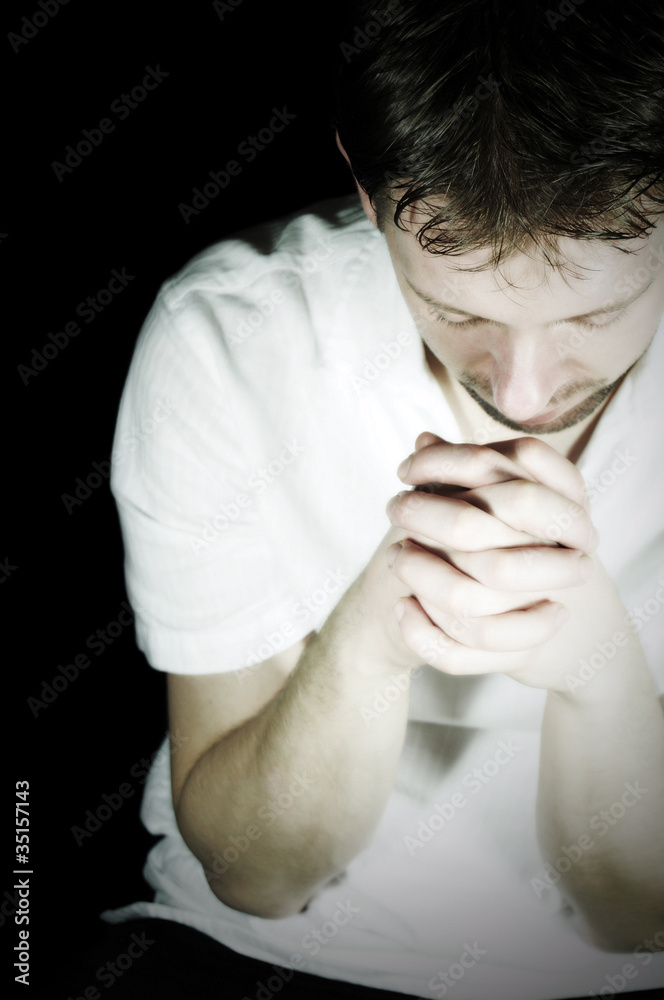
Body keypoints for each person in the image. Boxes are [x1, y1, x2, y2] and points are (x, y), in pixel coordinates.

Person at [91, 1, 664, 997]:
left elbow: (638, 916)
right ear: (363, 180)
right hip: (248, 956)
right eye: (455, 308)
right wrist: (374, 630)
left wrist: (599, 670)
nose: (521, 392)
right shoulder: (228, 338)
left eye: (593, 313)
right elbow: (255, 878)